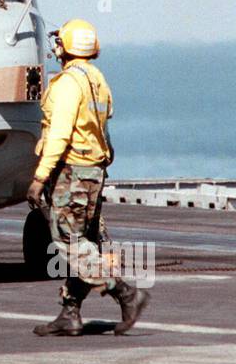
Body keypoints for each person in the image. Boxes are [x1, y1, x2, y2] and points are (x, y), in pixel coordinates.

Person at [27, 19, 149, 337]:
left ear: (66, 47)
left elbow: (60, 135)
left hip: (71, 173)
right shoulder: (97, 80)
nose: (55, 47)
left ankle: (126, 293)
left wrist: (40, 178)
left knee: (70, 242)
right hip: (94, 172)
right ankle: (70, 313)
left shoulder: (68, 83)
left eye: (59, 42)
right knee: (86, 243)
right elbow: (103, 130)